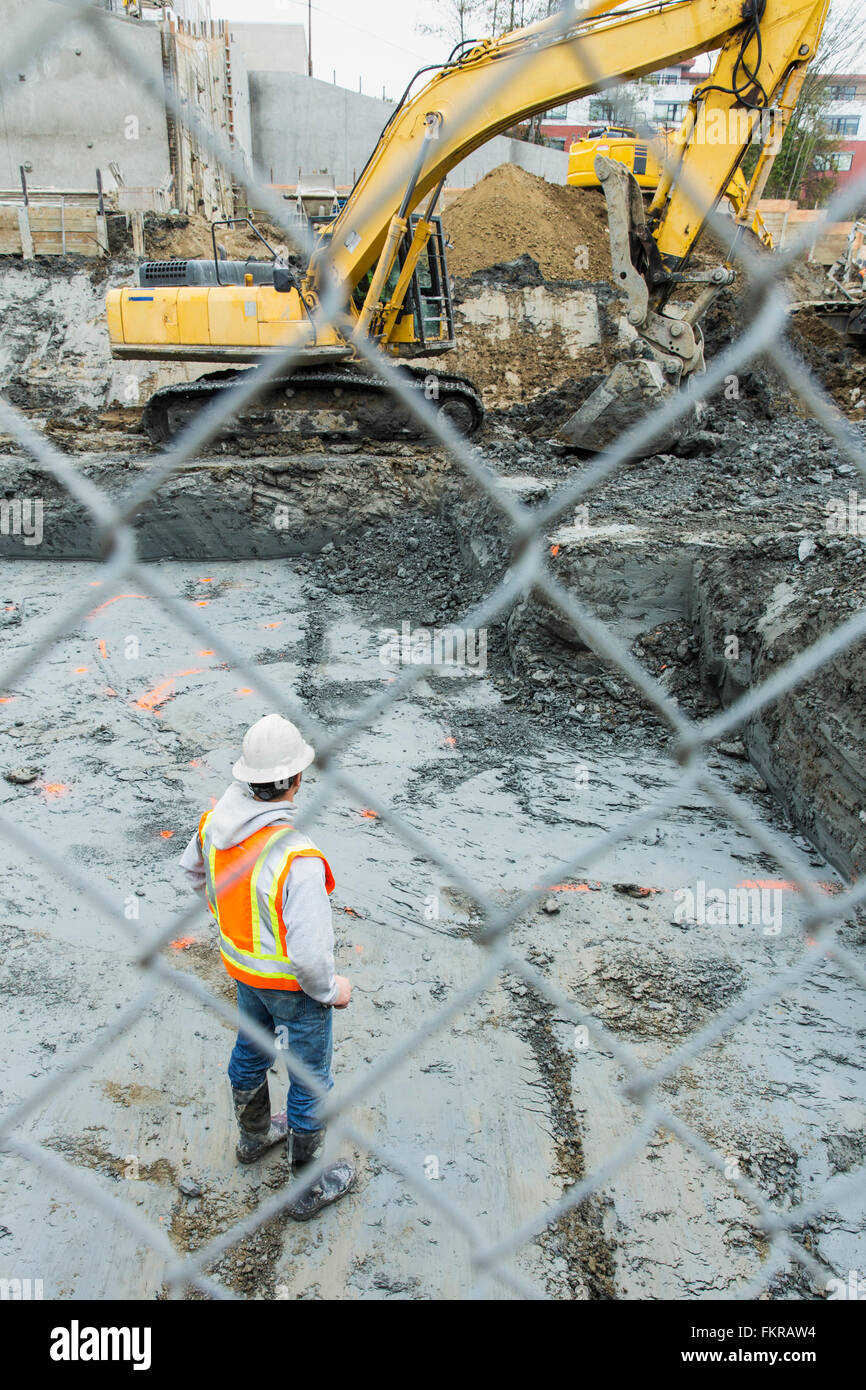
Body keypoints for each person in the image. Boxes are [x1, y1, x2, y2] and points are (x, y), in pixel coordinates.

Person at [180, 713, 354, 1220]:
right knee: (309, 1077)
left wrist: (229, 921)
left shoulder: (215, 824)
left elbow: (191, 873)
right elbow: (308, 957)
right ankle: (306, 1185)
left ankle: (254, 1139)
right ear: (297, 780)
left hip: (243, 973)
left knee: (251, 1049)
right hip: (295, 992)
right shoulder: (295, 856)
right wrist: (331, 991)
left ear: (246, 777)